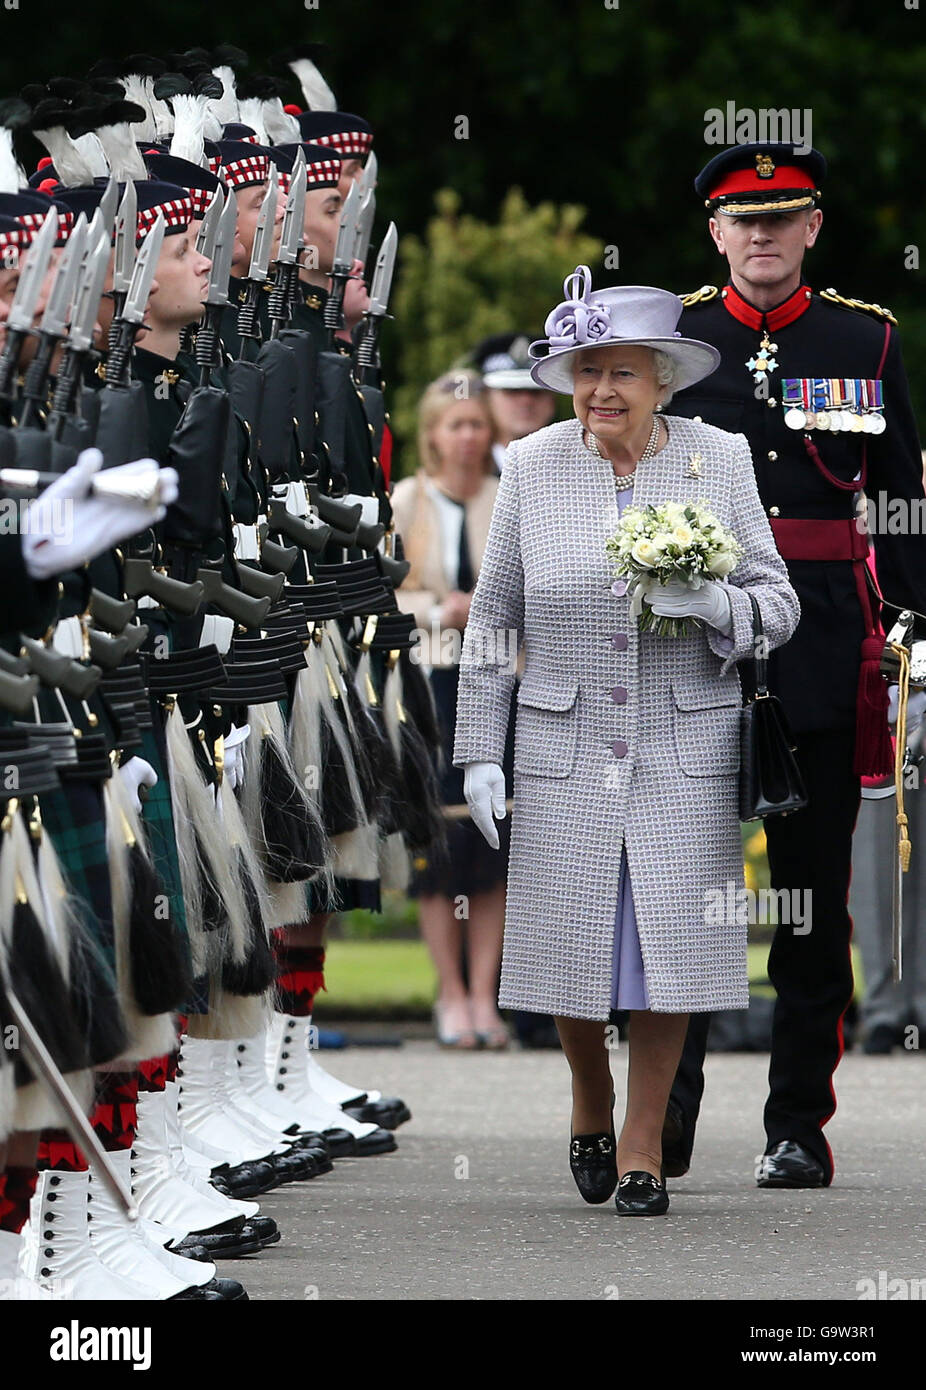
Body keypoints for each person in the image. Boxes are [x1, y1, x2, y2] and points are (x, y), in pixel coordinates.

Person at [453, 269, 800, 1214]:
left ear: (663, 382)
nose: (600, 390)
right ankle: (589, 1092)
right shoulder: (530, 464)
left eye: (621, 373)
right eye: (584, 370)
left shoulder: (718, 459)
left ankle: (644, 1139)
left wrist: (714, 602)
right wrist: (479, 750)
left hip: (682, 746)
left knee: (666, 949)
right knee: (571, 947)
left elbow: (780, 604)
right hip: (563, 746)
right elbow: (492, 623)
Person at [668, 143, 926, 1188]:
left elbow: (899, 494)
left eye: (781, 217)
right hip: (690, 641)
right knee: (680, 890)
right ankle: (663, 1115)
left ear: (811, 227)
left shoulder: (861, 339)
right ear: (714, 233)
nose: (761, 235)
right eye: (743, 219)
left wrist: (912, 629)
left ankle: (794, 1126)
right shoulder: (676, 338)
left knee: (809, 900)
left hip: (819, 643)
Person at [391, 370, 517, 1049]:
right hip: (431, 681)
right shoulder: (407, 500)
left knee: (494, 843)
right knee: (439, 847)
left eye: (476, 424)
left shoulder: (508, 496)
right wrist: (441, 609)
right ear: (433, 433)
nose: (467, 436)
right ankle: (451, 992)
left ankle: (486, 994)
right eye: (454, 424)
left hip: (501, 678)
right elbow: (380, 597)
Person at [472, 332, 557, 473]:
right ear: (487, 397)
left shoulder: (577, 469)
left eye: (536, 392)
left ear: (552, 398)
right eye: (511, 391)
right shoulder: (465, 471)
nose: (526, 401)